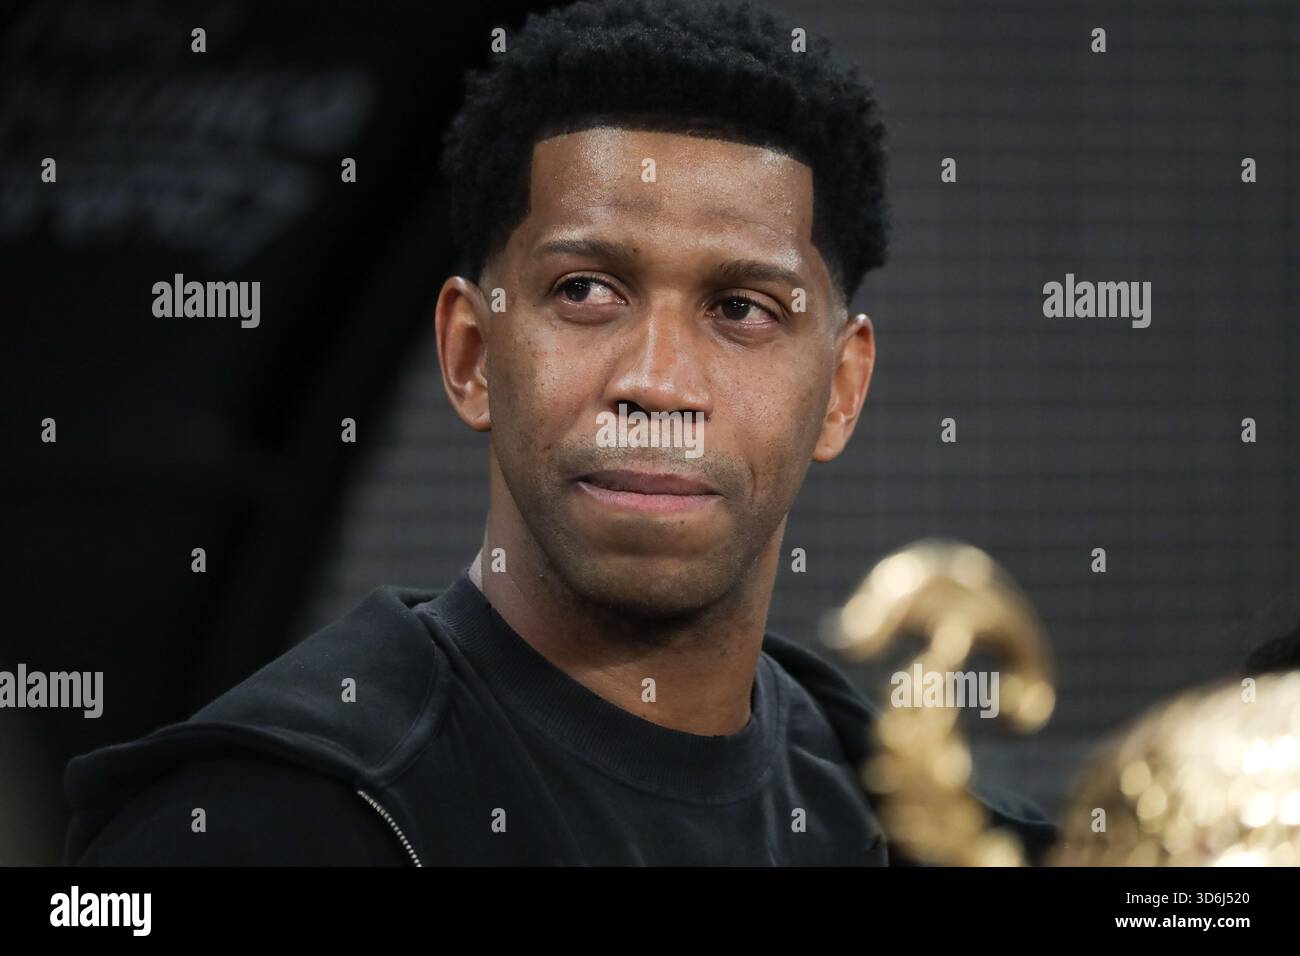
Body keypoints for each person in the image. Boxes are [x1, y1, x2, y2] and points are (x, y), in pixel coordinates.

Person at [65, 0, 1055, 865]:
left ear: (841, 389)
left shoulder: (936, 835)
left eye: (742, 307)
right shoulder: (257, 823)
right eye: (586, 290)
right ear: (469, 353)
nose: (656, 382)